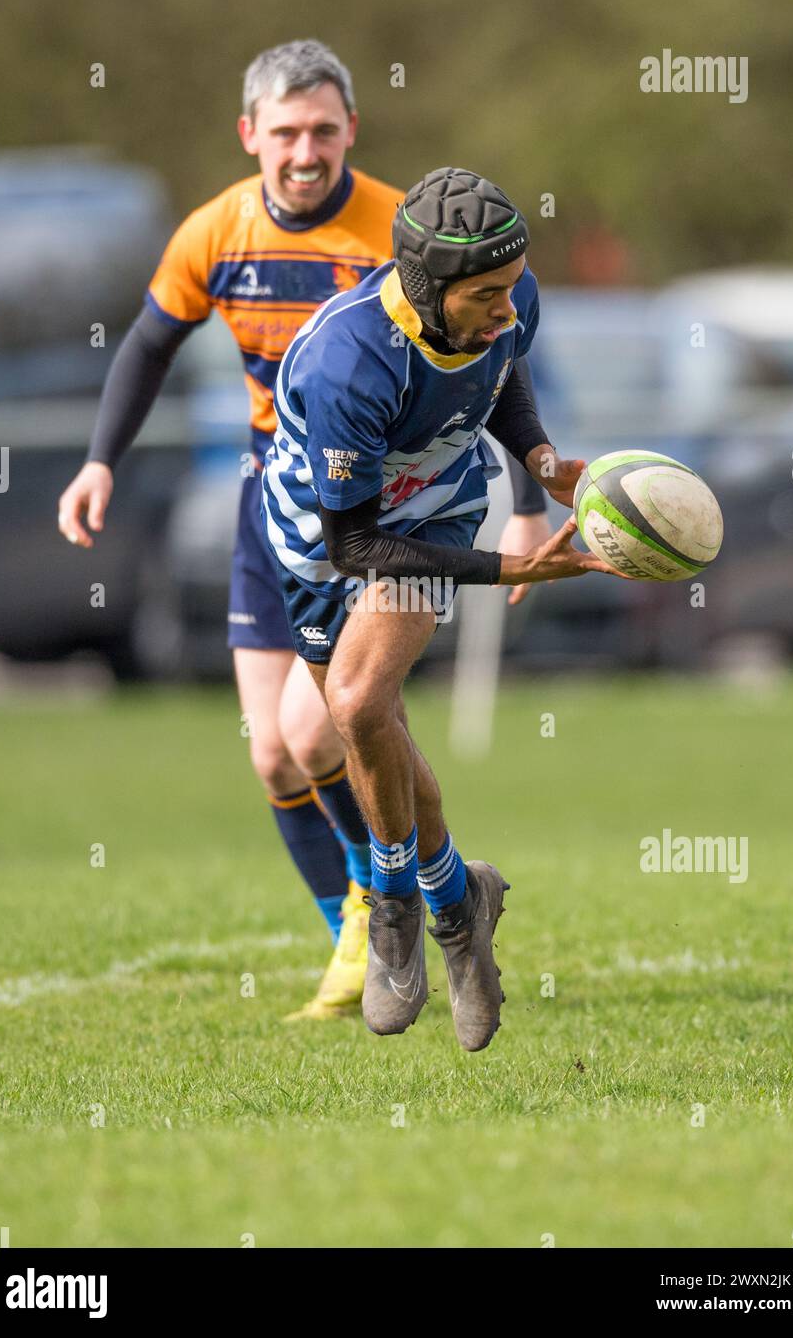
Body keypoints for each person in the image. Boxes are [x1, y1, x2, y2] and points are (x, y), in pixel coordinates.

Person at [56, 44, 552, 1022]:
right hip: (277, 500)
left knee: (336, 713)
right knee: (279, 752)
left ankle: (391, 915)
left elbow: (487, 355)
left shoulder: (418, 231)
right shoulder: (218, 229)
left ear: (350, 131)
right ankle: (388, 923)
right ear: (251, 136)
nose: (304, 150)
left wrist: (529, 485)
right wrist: (100, 457)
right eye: (284, 131)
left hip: (393, 503)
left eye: (323, 129)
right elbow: (151, 343)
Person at [262, 166, 621, 1051]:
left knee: (353, 701)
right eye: (484, 296)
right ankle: (460, 901)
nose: (507, 308)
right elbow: (351, 547)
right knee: (370, 721)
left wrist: (538, 459)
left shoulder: (510, 295)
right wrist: (511, 571)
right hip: (323, 539)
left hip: (434, 512)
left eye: (511, 288)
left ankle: (395, 905)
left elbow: (501, 374)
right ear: (424, 289)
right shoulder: (349, 362)